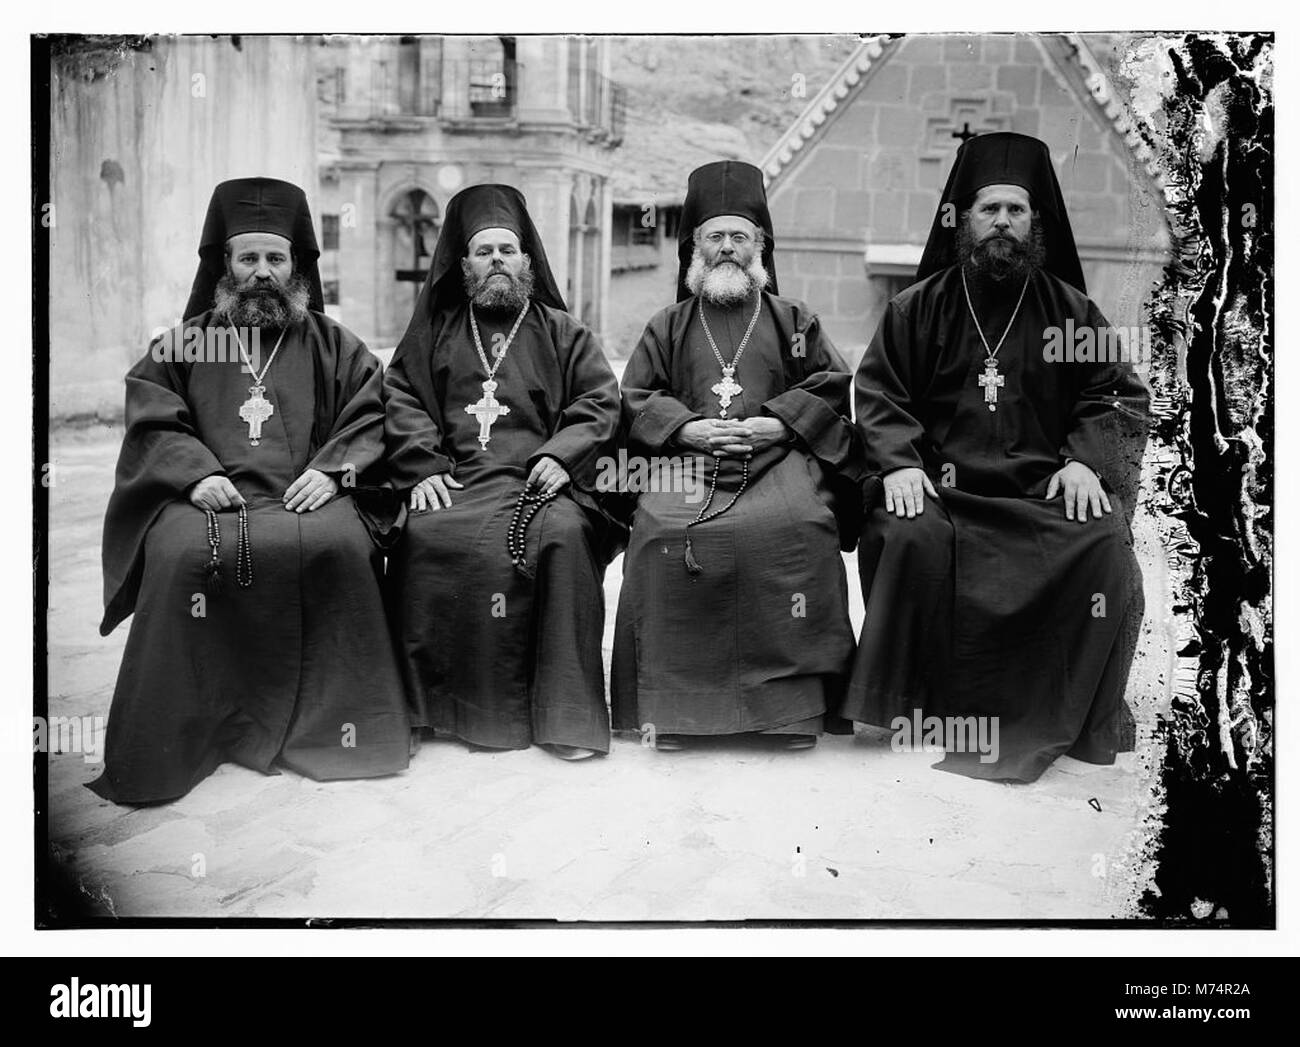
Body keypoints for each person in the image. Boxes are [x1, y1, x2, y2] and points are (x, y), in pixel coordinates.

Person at [843, 132, 1150, 782]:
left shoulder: (1070, 313)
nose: (1003, 223)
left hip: (1037, 496)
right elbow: (877, 390)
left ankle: (1071, 708)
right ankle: (900, 703)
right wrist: (898, 462)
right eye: (990, 209)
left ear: (1036, 222)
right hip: (940, 493)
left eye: (1016, 210)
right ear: (963, 219)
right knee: (906, 532)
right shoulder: (918, 308)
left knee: (1100, 541)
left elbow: (1115, 395)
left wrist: (1084, 462)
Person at [92, 177, 410, 804]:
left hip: (308, 497)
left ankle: (336, 732)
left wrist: (335, 468)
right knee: (182, 556)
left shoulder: (331, 341)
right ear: (225, 265)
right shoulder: (186, 343)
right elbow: (153, 416)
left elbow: (372, 412)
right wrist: (197, 472)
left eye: (276, 259)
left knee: (341, 549)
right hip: (207, 500)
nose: (262, 273)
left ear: (296, 267)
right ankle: (192, 732)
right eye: (249, 259)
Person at [612, 160, 865, 751]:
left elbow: (831, 381)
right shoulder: (668, 325)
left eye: (739, 237)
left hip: (778, 463)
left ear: (760, 247)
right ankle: (675, 711)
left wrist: (777, 424)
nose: (727, 248)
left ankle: (792, 712)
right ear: (694, 248)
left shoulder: (795, 319)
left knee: (798, 526)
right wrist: (687, 429)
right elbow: (635, 397)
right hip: (687, 466)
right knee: (659, 533)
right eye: (715, 237)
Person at [383, 184, 620, 760]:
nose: (496, 261)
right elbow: (400, 398)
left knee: (563, 539)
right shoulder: (434, 333)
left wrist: (561, 457)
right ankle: (426, 709)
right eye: (484, 251)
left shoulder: (566, 334)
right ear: (463, 264)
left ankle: (563, 716)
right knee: (422, 531)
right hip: (457, 479)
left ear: (527, 262)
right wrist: (422, 465)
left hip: (539, 485)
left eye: (507, 250)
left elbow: (600, 403)